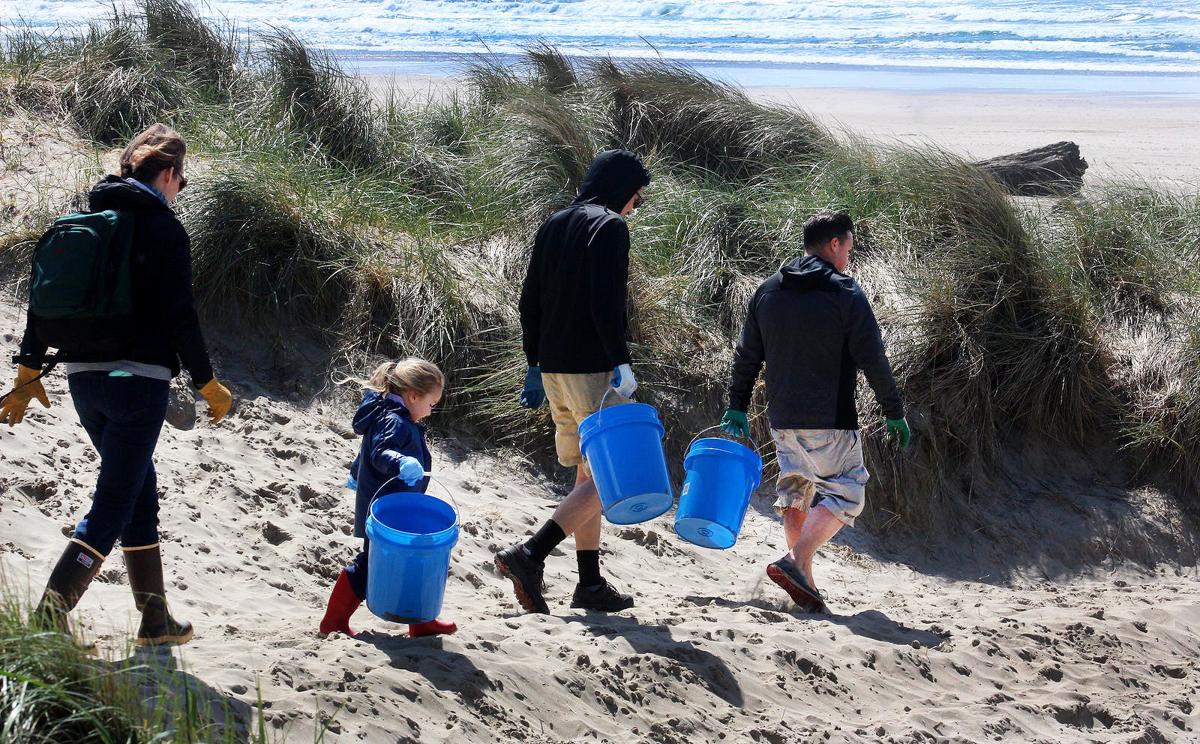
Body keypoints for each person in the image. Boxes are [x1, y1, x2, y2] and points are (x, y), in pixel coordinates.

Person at [0, 123, 233, 645]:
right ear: (170, 173)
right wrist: (207, 382)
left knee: (136, 495)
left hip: (84, 382)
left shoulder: (81, 222)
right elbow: (181, 316)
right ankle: (43, 625)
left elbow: (42, 303)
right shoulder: (164, 229)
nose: (180, 189)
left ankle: (155, 623)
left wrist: (28, 370)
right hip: (137, 383)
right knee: (111, 505)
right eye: (182, 180)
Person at [720, 211, 911, 613]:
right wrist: (894, 411)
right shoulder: (846, 293)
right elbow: (873, 358)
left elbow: (747, 355)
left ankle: (803, 581)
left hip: (783, 419)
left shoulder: (768, 290)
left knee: (796, 493)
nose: (848, 257)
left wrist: (736, 405)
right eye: (848, 247)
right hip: (831, 419)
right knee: (849, 492)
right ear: (835, 244)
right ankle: (792, 563)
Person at [494, 149, 651, 615]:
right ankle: (530, 554)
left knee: (587, 472)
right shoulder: (610, 228)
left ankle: (588, 583)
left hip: (555, 368)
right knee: (612, 474)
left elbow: (529, 300)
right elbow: (606, 306)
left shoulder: (554, 223)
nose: (634, 209)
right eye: (637, 199)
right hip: (592, 369)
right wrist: (621, 361)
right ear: (623, 190)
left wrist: (534, 361)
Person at [319, 358, 457, 639]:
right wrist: (401, 462)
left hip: (401, 504)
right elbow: (380, 451)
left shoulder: (392, 412)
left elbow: (366, 450)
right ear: (413, 396)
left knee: (415, 558)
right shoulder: (393, 419)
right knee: (371, 563)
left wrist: (357, 471)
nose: (430, 412)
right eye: (431, 405)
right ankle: (333, 621)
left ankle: (421, 620)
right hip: (387, 511)